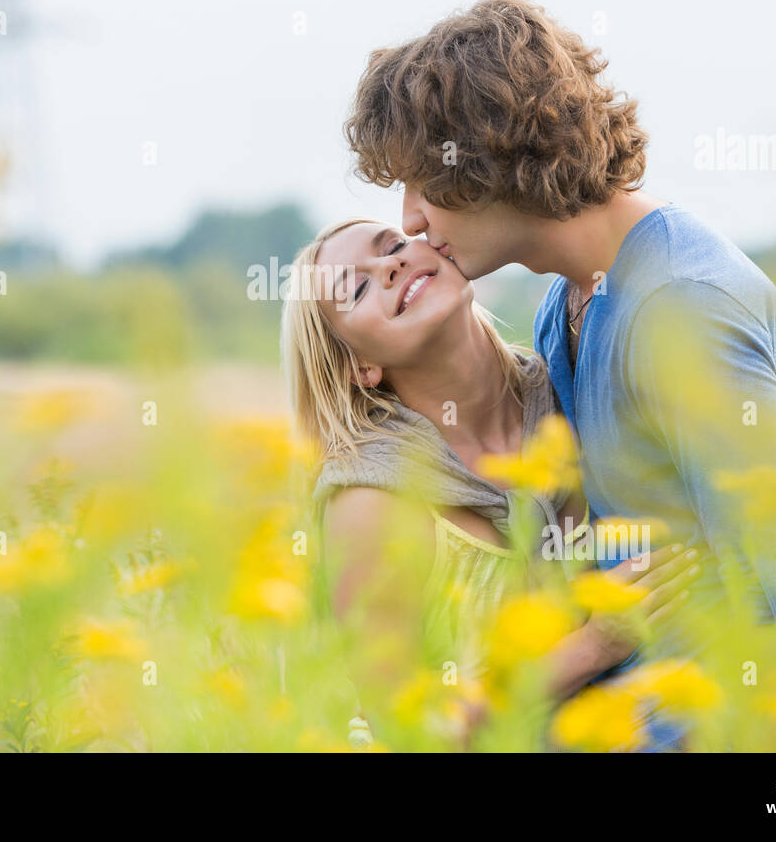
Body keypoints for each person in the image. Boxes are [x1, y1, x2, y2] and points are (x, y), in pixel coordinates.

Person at [341, 0, 776, 739]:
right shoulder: (561, 308)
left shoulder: (682, 305)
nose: (410, 219)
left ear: (489, 153)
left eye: (422, 180)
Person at [281, 216, 701, 749]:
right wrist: (594, 646)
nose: (390, 265)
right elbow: (406, 729)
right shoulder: (371, 501)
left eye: (392, 245)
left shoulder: (571, 391)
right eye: (358, 286)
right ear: (357, 366)